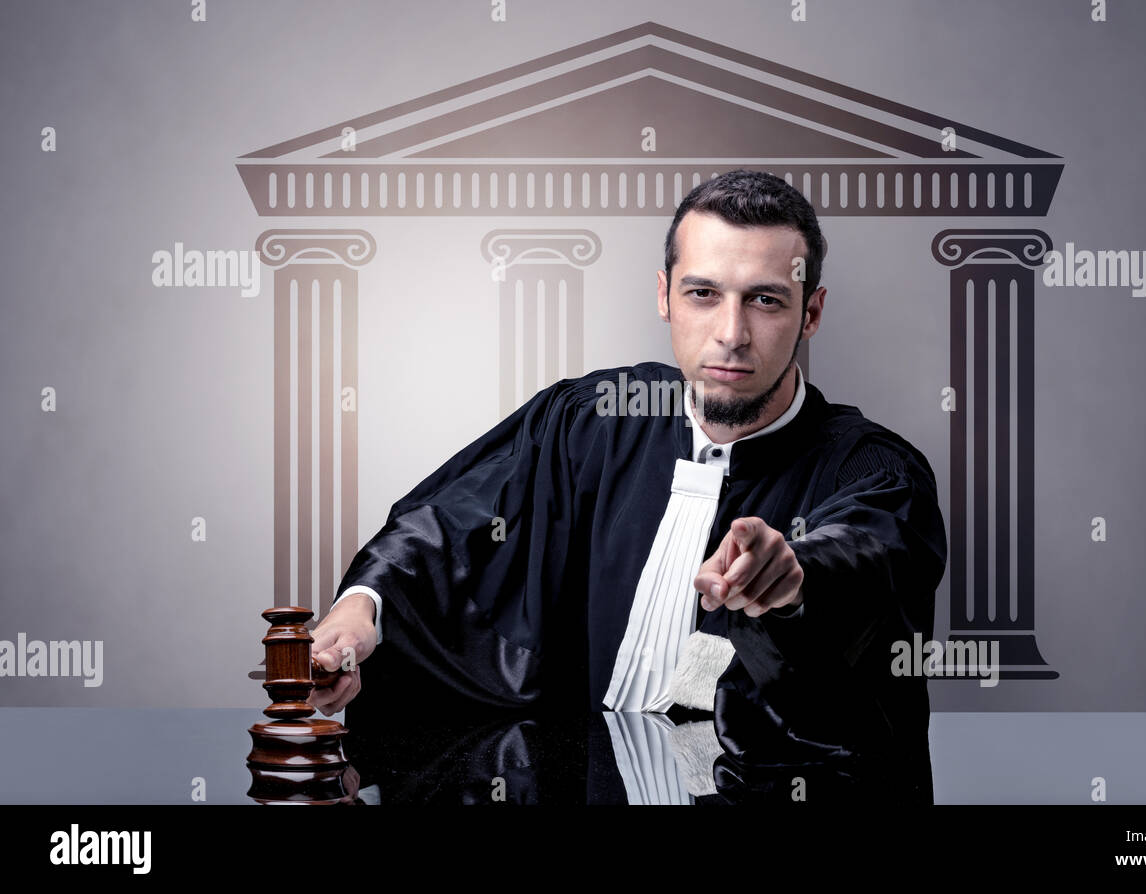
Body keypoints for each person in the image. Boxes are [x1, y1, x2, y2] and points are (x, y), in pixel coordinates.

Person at [308, 169, 948, 798]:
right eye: (703, 294)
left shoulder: (871, 466)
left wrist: (796, 573)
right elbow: (447, 525)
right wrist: (364, 607)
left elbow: (872, 548)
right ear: (665, 295)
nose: (731, 334)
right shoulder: (593, 419)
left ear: (811, 312)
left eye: (765, 299)